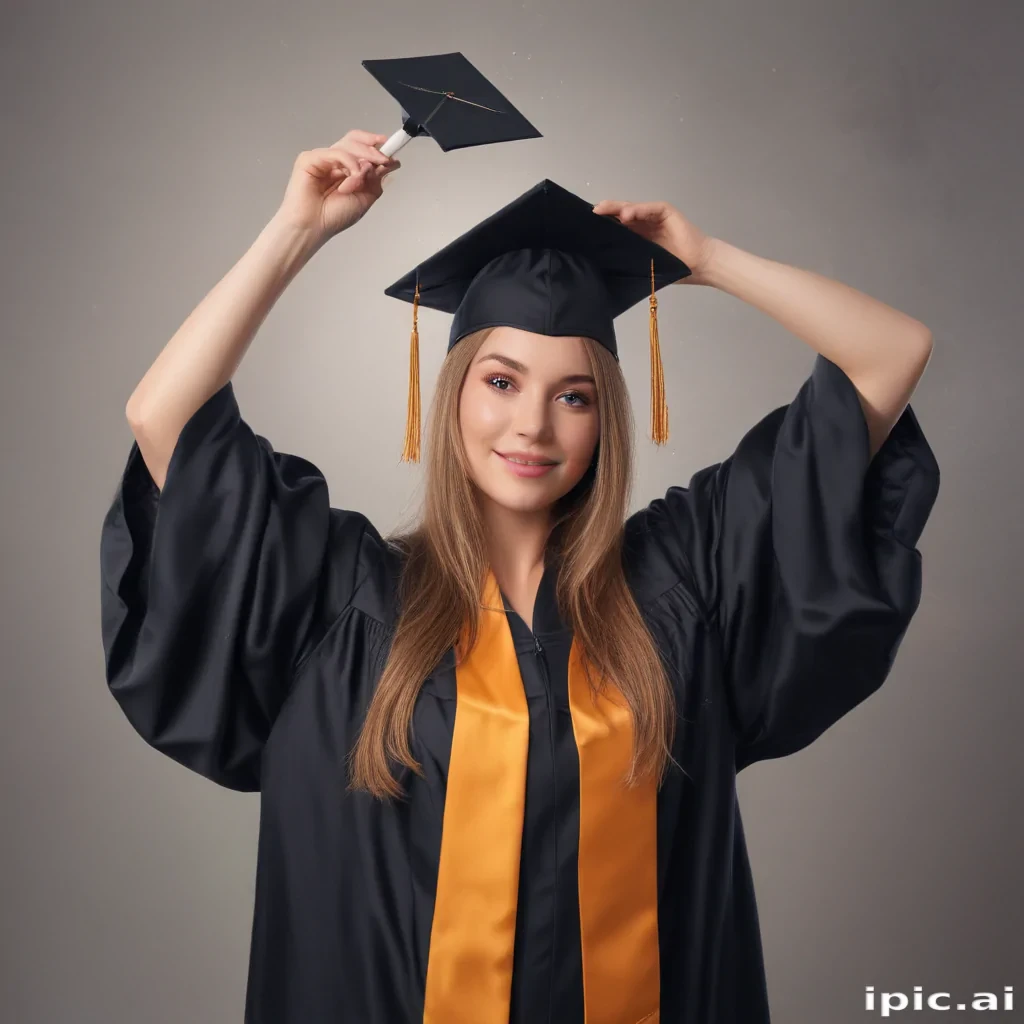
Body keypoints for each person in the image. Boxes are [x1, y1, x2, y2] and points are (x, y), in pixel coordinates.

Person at [100, 129, 940, 1024]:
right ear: (454, 389)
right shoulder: (335, 600)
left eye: (573, 395)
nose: (532, 425)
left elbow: (890, 353)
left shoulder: (687, 585)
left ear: (605, 417)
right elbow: (165, 416)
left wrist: (709, 260)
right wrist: (297, 229)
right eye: (501, 381)